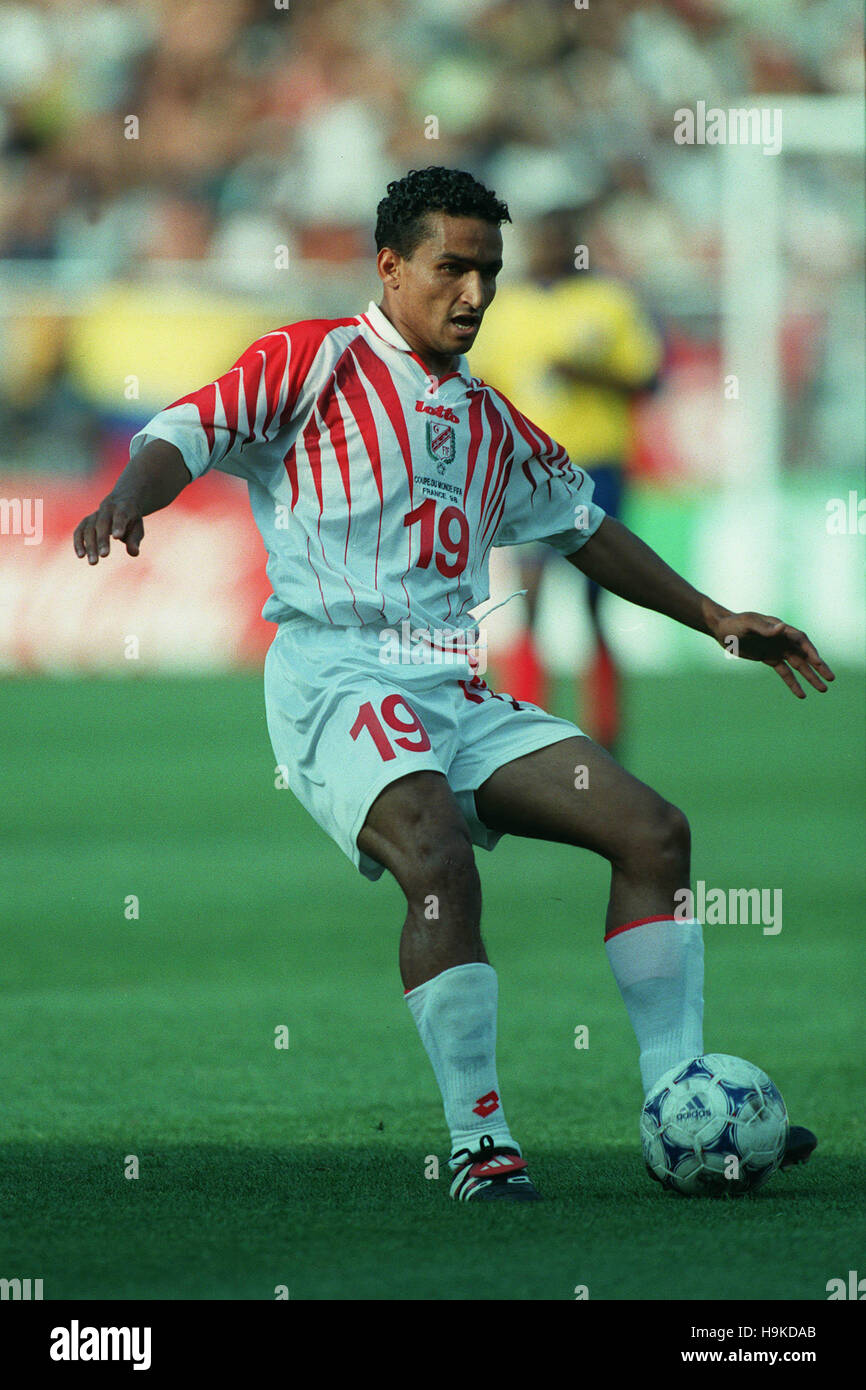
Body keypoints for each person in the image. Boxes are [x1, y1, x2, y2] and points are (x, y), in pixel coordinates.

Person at [73, 167, 830, 1202]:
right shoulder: (313, 359)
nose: (472, 294)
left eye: (488, 272)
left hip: (450, 686)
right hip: (334, 676)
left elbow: (585, 530)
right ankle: (480, 1143)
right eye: (451, 268)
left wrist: (713, 618)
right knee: (436, 855)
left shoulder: (489, 418)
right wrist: (129, 495)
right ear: (389, 268)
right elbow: (183, 431)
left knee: (651, 831)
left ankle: (675, 1101)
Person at [470, 204, 663, 750]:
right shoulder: (506, 309)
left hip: (597, 467)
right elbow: (479, 387)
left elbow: (646, 380)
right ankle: (529, 733)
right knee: (528, 599)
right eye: (540, 240)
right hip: (529, 473)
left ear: (576, 245)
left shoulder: (611, 302)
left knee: (597, 600)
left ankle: (606, 734)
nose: (548, 250)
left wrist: (587, 373)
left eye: (558, 240)